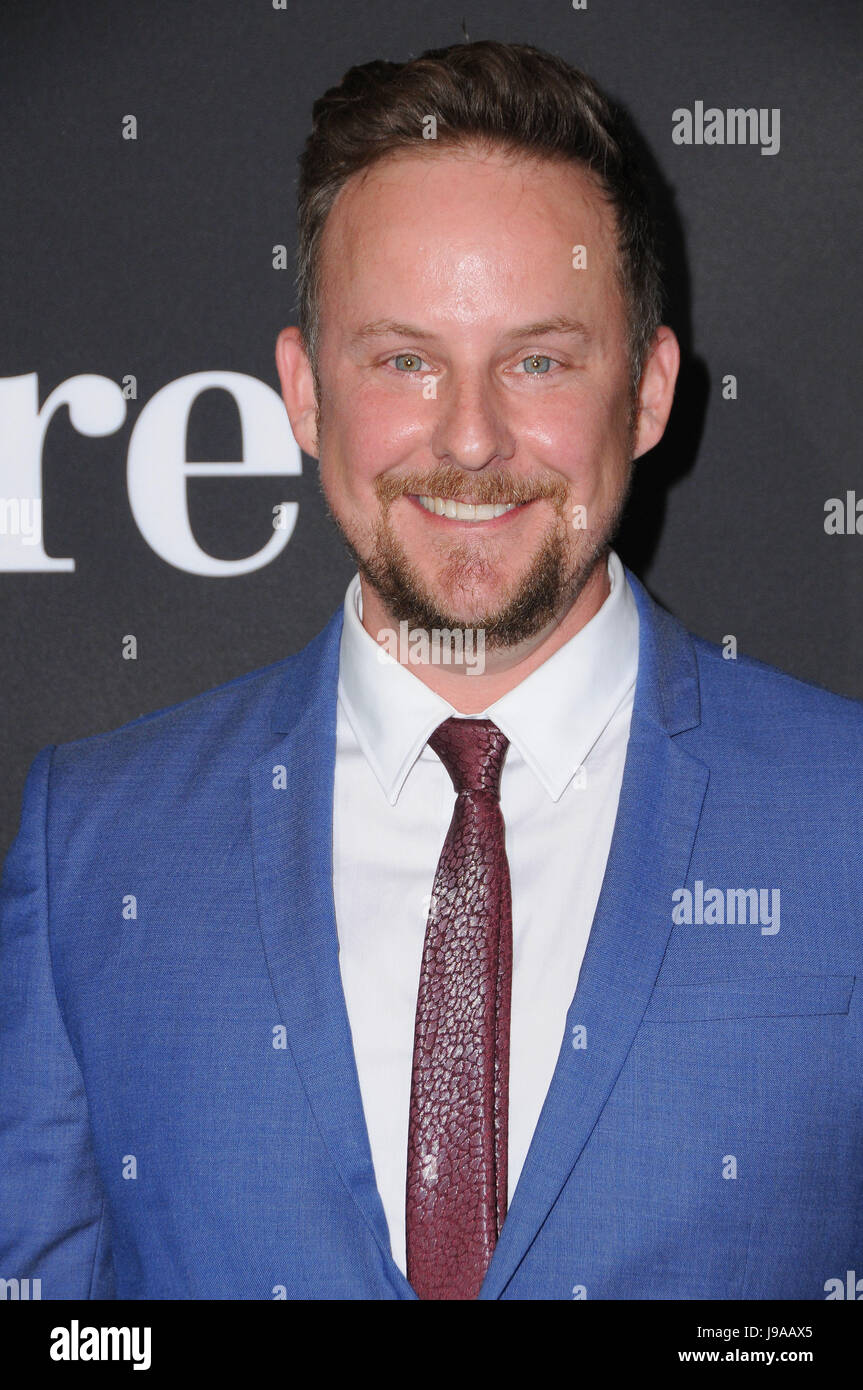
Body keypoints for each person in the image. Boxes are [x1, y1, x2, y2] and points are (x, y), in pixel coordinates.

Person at [1, 39, 860, 1302]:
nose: (469, 437)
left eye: (538, 360)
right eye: (402, 359)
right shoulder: (98, 843)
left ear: (647, 391)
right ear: (302, 393)